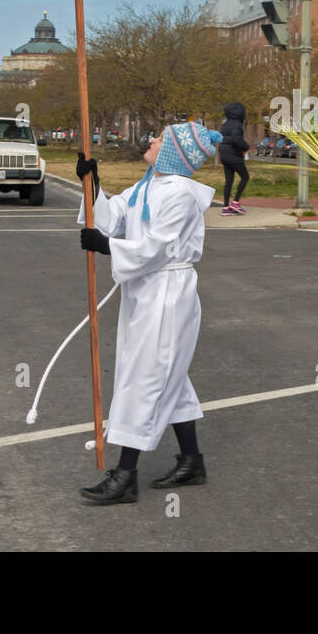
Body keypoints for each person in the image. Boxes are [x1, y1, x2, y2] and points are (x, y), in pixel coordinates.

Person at [75, 122, 223, 506]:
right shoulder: (148, 184)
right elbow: (114, 216)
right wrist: (92, 185)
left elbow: (157, 248)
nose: (152, 140)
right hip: (144, 289)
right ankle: (192, 461)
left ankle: (125, 475)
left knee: (145, 375)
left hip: (168, 292)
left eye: (160, 138)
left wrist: (108, 247)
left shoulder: (180, 195)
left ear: (173, 152)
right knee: (167, 373)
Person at [218, 101, 250, 216]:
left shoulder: (225, 124)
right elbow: (237, 139)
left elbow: (223, 139)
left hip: (224, 156)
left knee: (229, 181)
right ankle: (235, 202)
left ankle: (226, 207)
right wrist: (246, 147)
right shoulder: (237, 125)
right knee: (245, 177)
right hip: (234, 156)